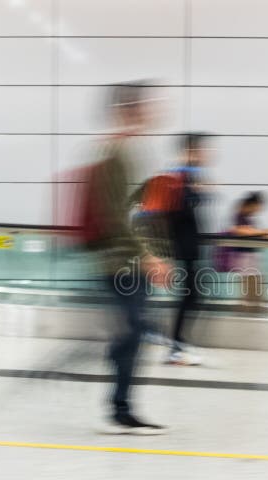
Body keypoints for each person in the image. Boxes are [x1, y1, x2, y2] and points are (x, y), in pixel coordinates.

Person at [91, 82, 171, 435]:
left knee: (136, 331)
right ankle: (120, 406)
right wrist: (149, 257)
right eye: (146, 105)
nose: (153, 110)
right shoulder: (116, 154)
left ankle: (121, 403)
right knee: (134, 329)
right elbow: (115, 217)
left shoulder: (133, 153)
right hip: (119, 263)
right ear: (129, 109)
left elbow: (140, 213)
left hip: (133, 262)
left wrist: (154, 255)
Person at [165, 132, 212, 365]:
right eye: (201, 150)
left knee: (192, 297)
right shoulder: (179, 177)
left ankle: (179, 345)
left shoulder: (189, 177)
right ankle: (176, 348)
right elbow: (178, 208)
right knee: (189, 297)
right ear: (190, 151)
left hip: (189, 250)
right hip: (183, 250)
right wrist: (197, 193)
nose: (206, 155)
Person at [229, 192, 268, 304]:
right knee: (251, 290)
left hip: (249, 258)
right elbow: (240, 231)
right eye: (258, 206)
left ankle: (254, 309)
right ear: (251, 204)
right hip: (244, 258)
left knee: (254, 288)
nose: (258, 210)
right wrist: (263, 232)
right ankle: (251, 311)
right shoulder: (239, 216)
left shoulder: (245, 217)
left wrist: (263, 234)